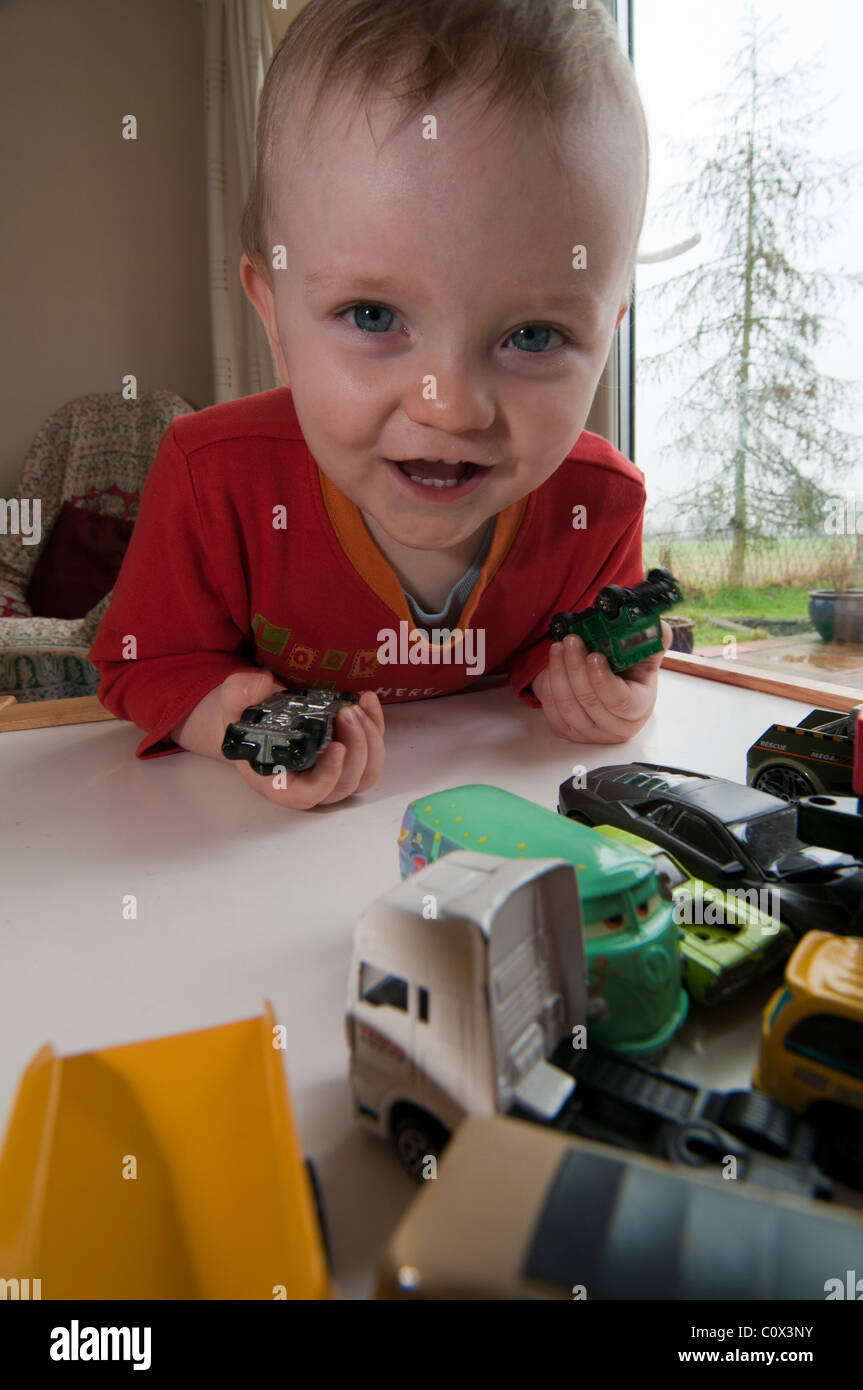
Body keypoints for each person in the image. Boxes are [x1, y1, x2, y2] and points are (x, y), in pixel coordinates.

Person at [90, 0, 668, 810]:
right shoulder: (210, 477)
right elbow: (144, 662)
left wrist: (601, 692)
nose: (452, 408)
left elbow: (560, 646)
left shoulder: (599, 505)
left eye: (534, 336)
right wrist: (233, 724)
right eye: (373, 317)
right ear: (274, 315)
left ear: (606, 333)